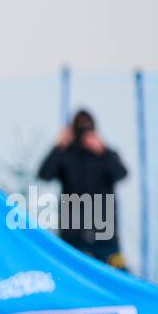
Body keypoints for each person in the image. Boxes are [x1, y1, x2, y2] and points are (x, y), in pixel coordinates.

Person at [36, 109, 129, 269]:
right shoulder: (65, 155)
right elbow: (44, 174)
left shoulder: (105, 155)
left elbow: (122, 174)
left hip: (105, 233)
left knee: (116, 277)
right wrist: (58, 146)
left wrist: (103, 151)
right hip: (73, 235)